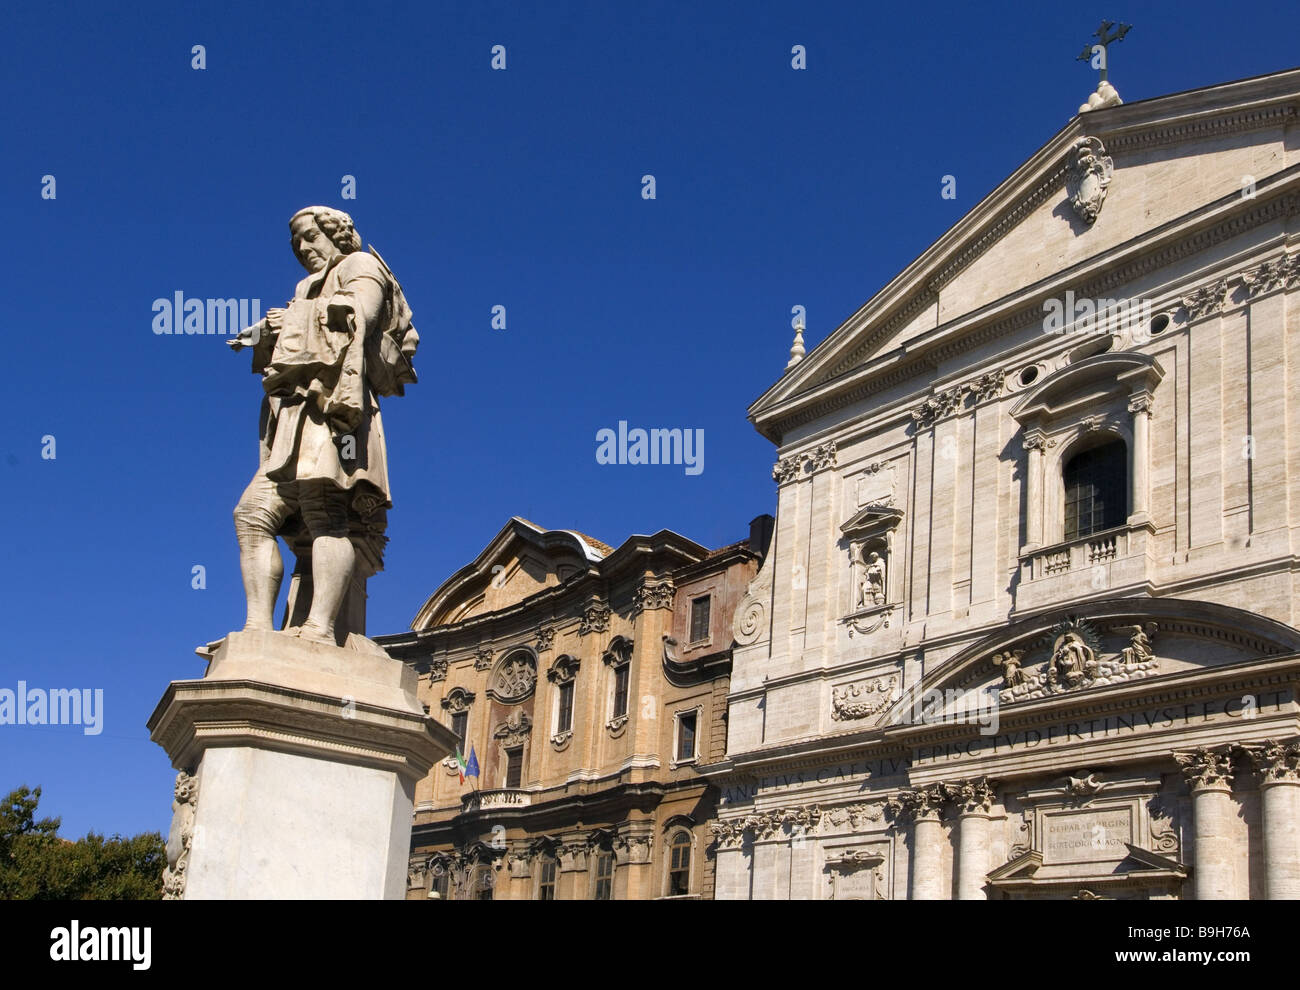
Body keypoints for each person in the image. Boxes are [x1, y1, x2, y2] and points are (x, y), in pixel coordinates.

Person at [228, 206, 418, 644]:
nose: (303, 249)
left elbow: (359, 317)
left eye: (310, 238)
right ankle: (257, 629)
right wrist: (266, 333)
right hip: (294, 418)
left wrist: (292, 319)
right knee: (252, 516)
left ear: (336, 234)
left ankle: (318, 629)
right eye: (296, 244)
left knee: (324, 512)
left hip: (335, 414)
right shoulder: (306, 287)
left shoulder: (361, 265)